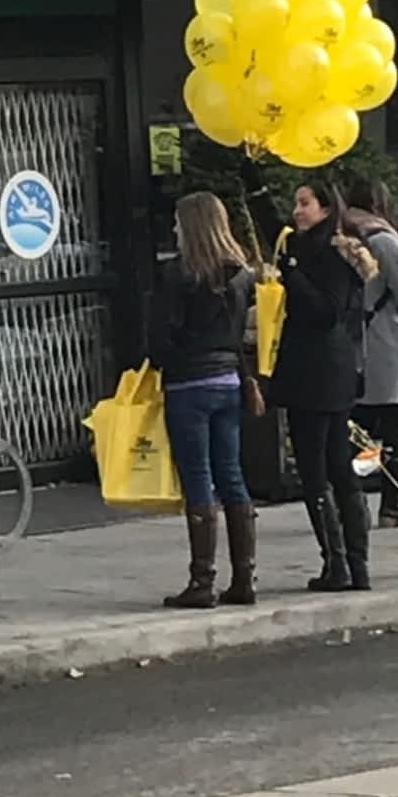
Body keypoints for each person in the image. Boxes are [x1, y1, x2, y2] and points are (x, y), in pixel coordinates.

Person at [266, 178, 377, 592]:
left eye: (305, 203)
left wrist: (292, 275)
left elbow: (325, 311)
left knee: (321, 471)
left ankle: (342, 562)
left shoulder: (329, 255)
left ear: (327, 209)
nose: (297, 212)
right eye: (295, 203)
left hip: (317, 374)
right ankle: (349, 562)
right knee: (334, 466)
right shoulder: (311, 247)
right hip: (328, 372)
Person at [152, 192, 259, 611]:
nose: (175, 230)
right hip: (229, 379)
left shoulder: (178, 275)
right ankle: (244, 576)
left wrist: (163, 359)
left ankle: (202, 579)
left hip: (188, 383)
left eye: (179, 223)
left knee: (198, 478)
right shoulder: (241, 275)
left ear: (191, 226)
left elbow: (161, 336)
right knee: (232, 474)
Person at [347, 175, 398, 529]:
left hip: (356, 339)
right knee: (394, 423)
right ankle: (390, 506)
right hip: (388, 338)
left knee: (356, 421)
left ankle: (346, 497)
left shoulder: (344, 238)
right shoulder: (384, 239)